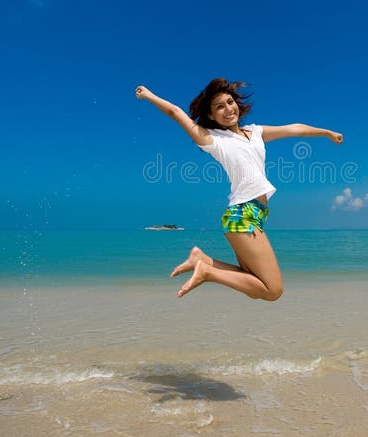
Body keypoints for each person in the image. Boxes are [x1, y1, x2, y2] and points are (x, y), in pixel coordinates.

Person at [135, 78, 343, 301]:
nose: (227, 109)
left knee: (254, 285)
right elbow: (176, 113)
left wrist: (326, 132)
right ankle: (207, 272)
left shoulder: (255, 132)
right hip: (243, 215)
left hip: (255, 216)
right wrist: (148, 95)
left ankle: (202, 261)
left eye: (229, 102)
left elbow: (294, 129)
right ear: (211, 116)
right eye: (219, 107)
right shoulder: (213, 139)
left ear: (237, 103)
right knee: (273, 290)